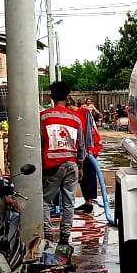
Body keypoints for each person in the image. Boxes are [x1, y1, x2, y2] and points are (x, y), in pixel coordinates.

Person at [41, 81, 85, 246]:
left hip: (51, 165)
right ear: (68, 96)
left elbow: (39, 142)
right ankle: (65, 239)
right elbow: (81, 145)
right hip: (71, 164)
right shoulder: (75, 118)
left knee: (45, 202)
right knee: (69, 203)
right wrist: (80, 166)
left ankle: (48, 237)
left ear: (51, 96)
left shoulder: (44, 116)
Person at [68, 98, 103, 214]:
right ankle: (88, 202)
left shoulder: (82, 113)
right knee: (86, 176)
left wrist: (85, 152)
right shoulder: (82, 113)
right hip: (89, 148)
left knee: (87, 175)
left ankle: (88, 202)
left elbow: (84, 134)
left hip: (89, 149)